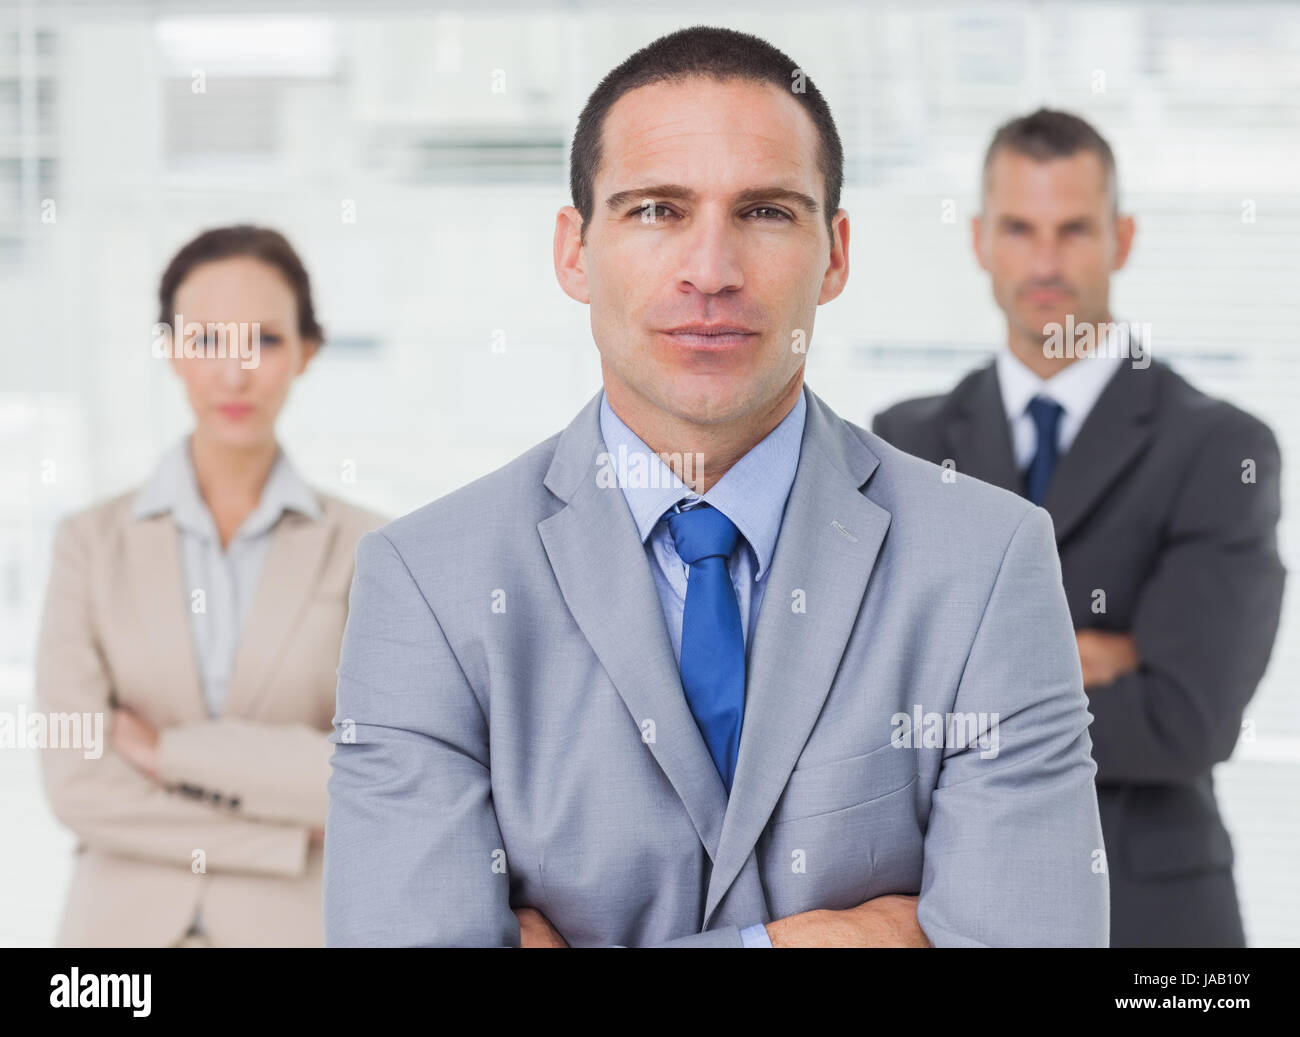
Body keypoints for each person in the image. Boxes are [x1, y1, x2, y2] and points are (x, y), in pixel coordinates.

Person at [324, 27, 1108, 948]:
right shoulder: (423, 584)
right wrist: (802, 942)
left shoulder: (986, 563)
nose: (710, 271)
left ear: (837, 252)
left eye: (766, 212)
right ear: (575, 252)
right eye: (656, 209)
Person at [872, 109, 1286, 947]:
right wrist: (1095, 652)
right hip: (944, 910)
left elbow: (1183, 718)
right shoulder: (902, 441)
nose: (1047, 262)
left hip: (1158, 926)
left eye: (1074, 230)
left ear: (1122, 239)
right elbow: (869, 700)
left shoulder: (1219, 446)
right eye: (1021, 229)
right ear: (981, 240)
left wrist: (969, 672)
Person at [35, 225, 386, 947]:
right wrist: (287, 839)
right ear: (170, 349)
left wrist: (167, 754)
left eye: (262, 339)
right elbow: (77, 781)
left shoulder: (373, 550)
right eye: (206, 341)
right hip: (116, 943)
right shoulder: (89, 543)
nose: (234, 374)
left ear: (306, 352)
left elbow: (370, 773)